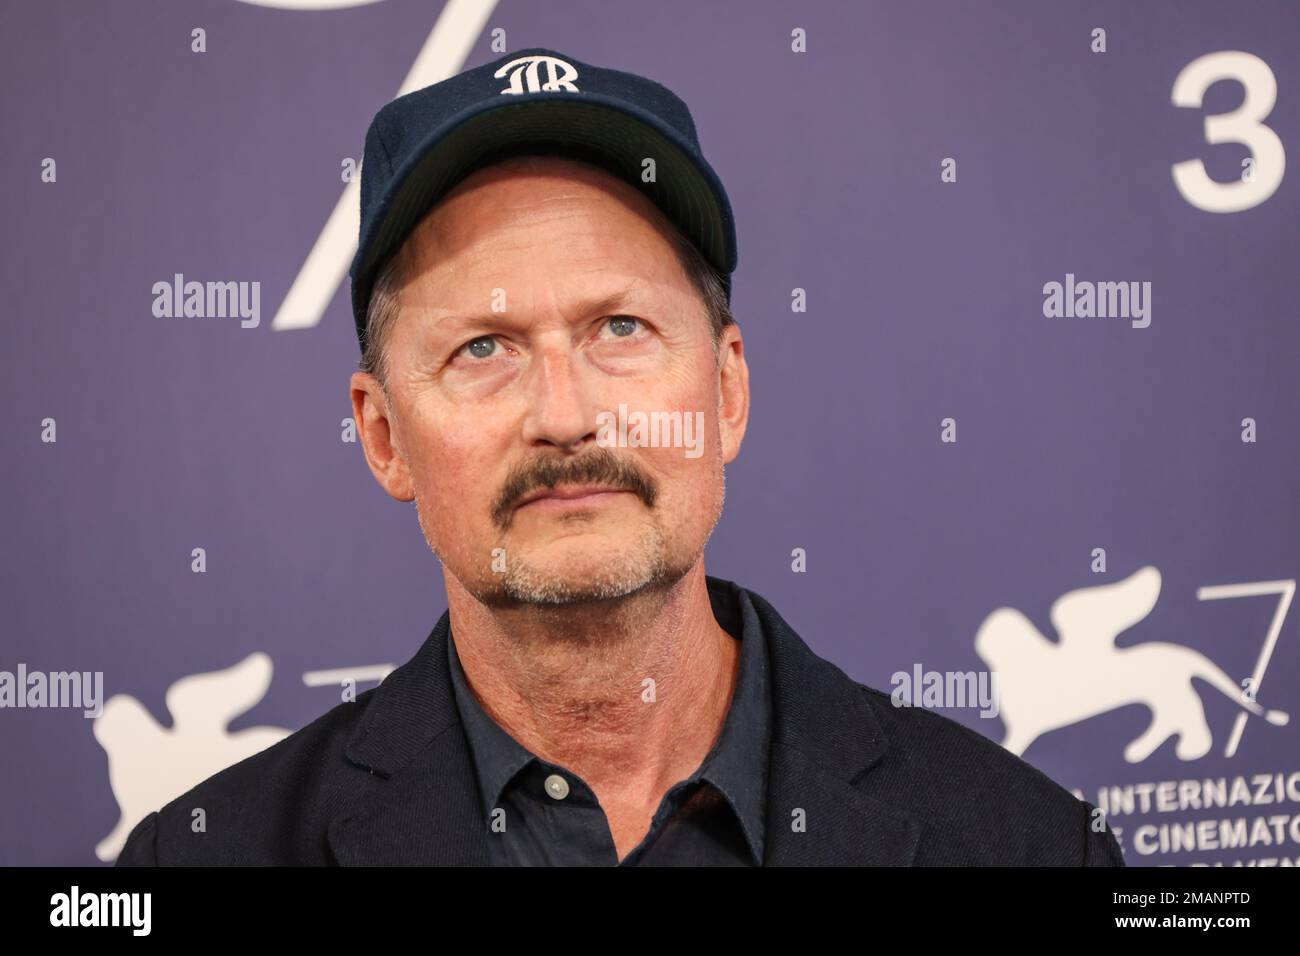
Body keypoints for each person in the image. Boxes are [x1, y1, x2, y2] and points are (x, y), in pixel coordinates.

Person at [116, 47, 1124, 866]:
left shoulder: (1025, 845)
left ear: (726, 390)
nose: (567, 415)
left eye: (622, 329)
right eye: (483, 347)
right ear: (384, 436)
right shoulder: (202, 859)